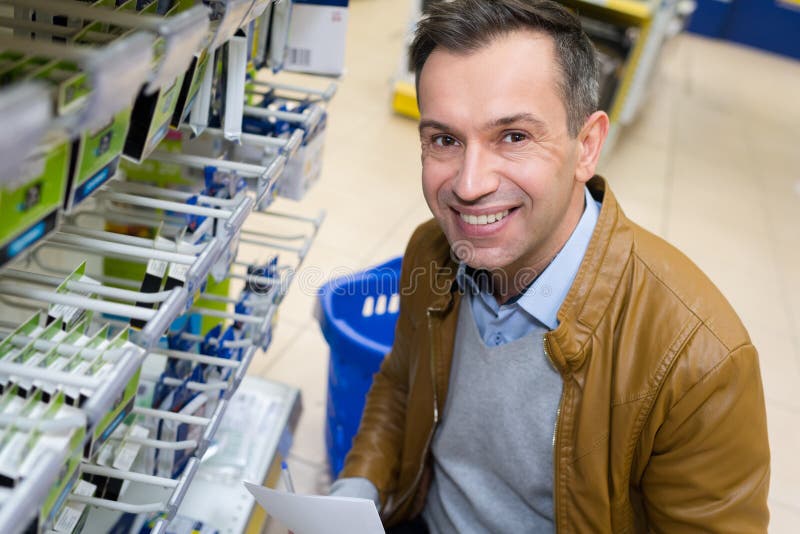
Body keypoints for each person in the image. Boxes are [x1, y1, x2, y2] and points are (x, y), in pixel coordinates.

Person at [330, 1, 771, 532]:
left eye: (513, 137)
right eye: (445, 140)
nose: (469, 186)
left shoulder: (697, 362)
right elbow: (400, 384)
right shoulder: (433, 252)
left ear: (586, 147)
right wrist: (356, 489)